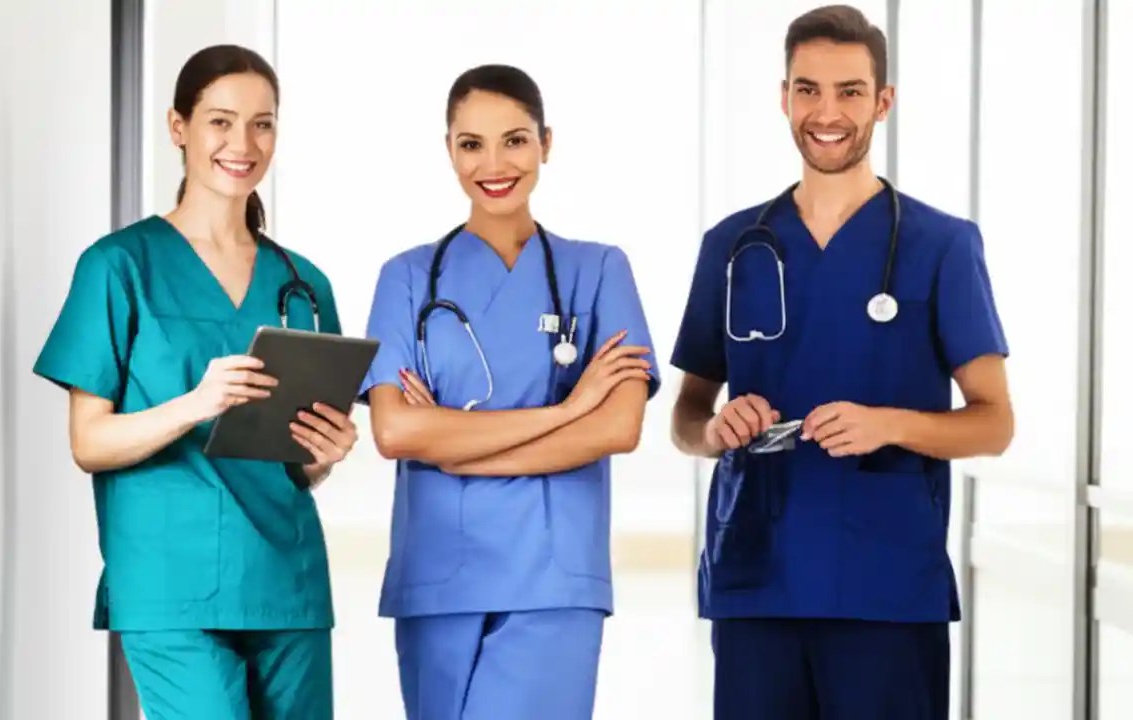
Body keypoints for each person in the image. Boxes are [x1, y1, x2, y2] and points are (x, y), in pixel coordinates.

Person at [669, 6, 1014, 719]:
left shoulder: (941, 245)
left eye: (850, 91)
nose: (827, 112)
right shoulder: (732, 245)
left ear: (883, 101)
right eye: (808, 89)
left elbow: (994, 424)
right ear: (784, 95)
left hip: (885, 582)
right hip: (756, 575)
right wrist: (713, 430)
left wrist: (888, 423)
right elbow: (686, 415)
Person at [32, 44, 356, 720]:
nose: (243, 143)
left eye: (262, 124)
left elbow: (295, 467)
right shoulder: (119, 266)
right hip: (168, 583)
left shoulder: (304, 284)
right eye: (221, 121)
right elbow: (89, 442)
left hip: (286, 581)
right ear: (179, 127)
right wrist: (195, 405)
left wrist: (321, 459)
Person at [357, 63, 660, 720]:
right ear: (449, 152)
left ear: (546, 143)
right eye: (471, 144)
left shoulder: (600, 270)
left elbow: (618, 429)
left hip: (554, 581)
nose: (494, 163)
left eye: (515, 140)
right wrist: (567, 410)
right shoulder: (406, 278)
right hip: (438, 580)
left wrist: (455, 448)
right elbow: (396, 433)